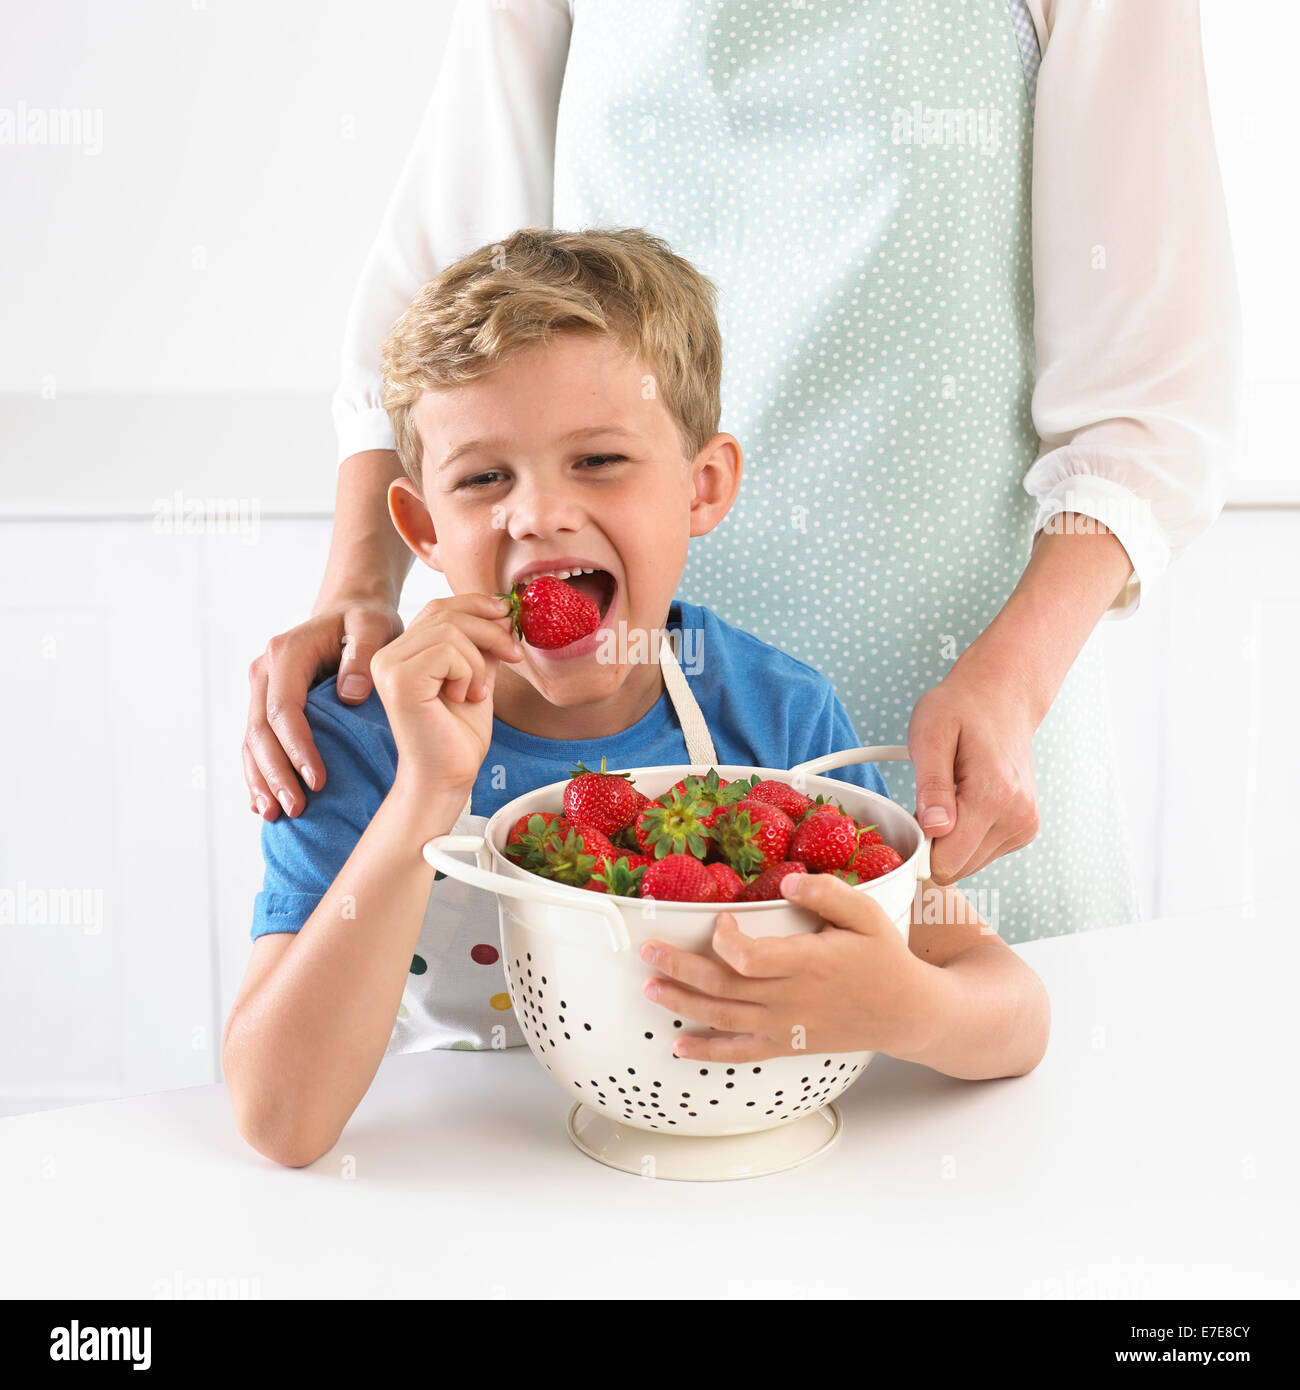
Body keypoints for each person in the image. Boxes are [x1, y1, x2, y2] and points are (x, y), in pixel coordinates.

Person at [241, 0, 1241, 943]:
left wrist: (1012, 685)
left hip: (961, 702)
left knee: (954, 1052)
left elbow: (1145, 405)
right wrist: (358, 584)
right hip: (618, 712)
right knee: (632, 1074)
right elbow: (437, 307)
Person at [222, 228, 1050, 1168]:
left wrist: (910, 1006)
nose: (536, 514)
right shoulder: (352, 737)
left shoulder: (778, 719)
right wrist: (424, 793)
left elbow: (1013, 1011)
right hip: (460, 1193)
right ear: (419, 526)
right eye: (484, 478)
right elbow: (278, 1118)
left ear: (703, 487)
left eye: (599, 461)